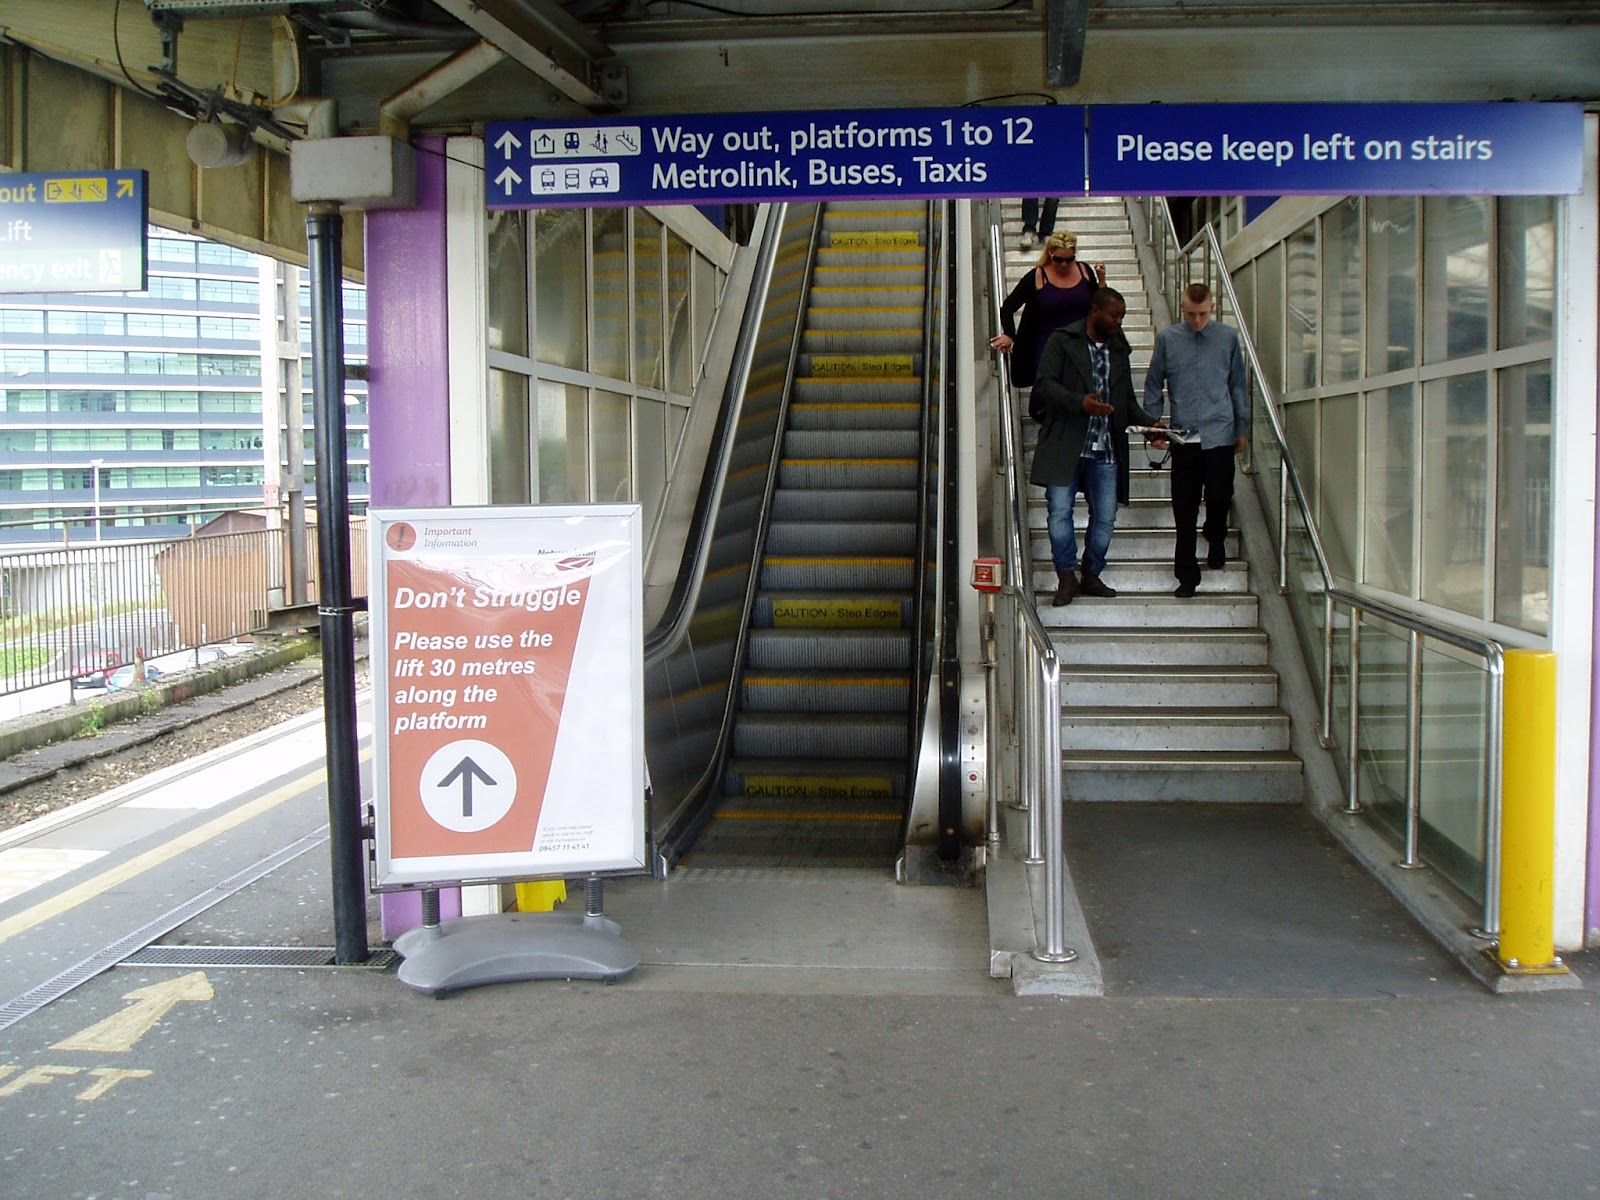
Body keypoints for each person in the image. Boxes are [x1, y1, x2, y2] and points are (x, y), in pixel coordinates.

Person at [1028, 287, 1165, 606]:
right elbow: (1045, 384)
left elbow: (1126, 400)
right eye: (1114, 315)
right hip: (1065, 444)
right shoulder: (1062, 340)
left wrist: (1149, 427)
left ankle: (1091, 573)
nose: (1119, 322)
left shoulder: (1119, 349)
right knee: (1058, 513)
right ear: (1094, 311)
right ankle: (1066, 575)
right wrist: (1080, 403)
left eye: (1122, 317)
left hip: (1105, 449)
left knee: (1105, 516)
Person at [1143, 282, 1250, 598]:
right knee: (1184, 509)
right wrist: (1154, 426)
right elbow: (1153, 384)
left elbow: (1238, 386)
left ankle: (1216, 535)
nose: (1197, 321)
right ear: (1183, 309)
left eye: (1202, 314)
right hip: (1184, 436)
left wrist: (1241, 427)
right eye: (1191, 314)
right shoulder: (1168, 340)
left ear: (1212, 309)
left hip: (1220, 432)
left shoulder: (1228, 338)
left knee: (1220, 497)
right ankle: (1187, 575)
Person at [990, 231, 1107, 393]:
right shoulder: (1037, 276)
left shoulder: (1084, 271)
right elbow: (1009, 306)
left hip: (1080, 343)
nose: (1064, 264)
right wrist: (1009, 334)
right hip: (1047, 345)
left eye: (1069, 259)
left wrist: (1101, 280)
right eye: (1059, 259)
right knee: (1051, 391)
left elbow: (1099, 303)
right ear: (1050, 253)